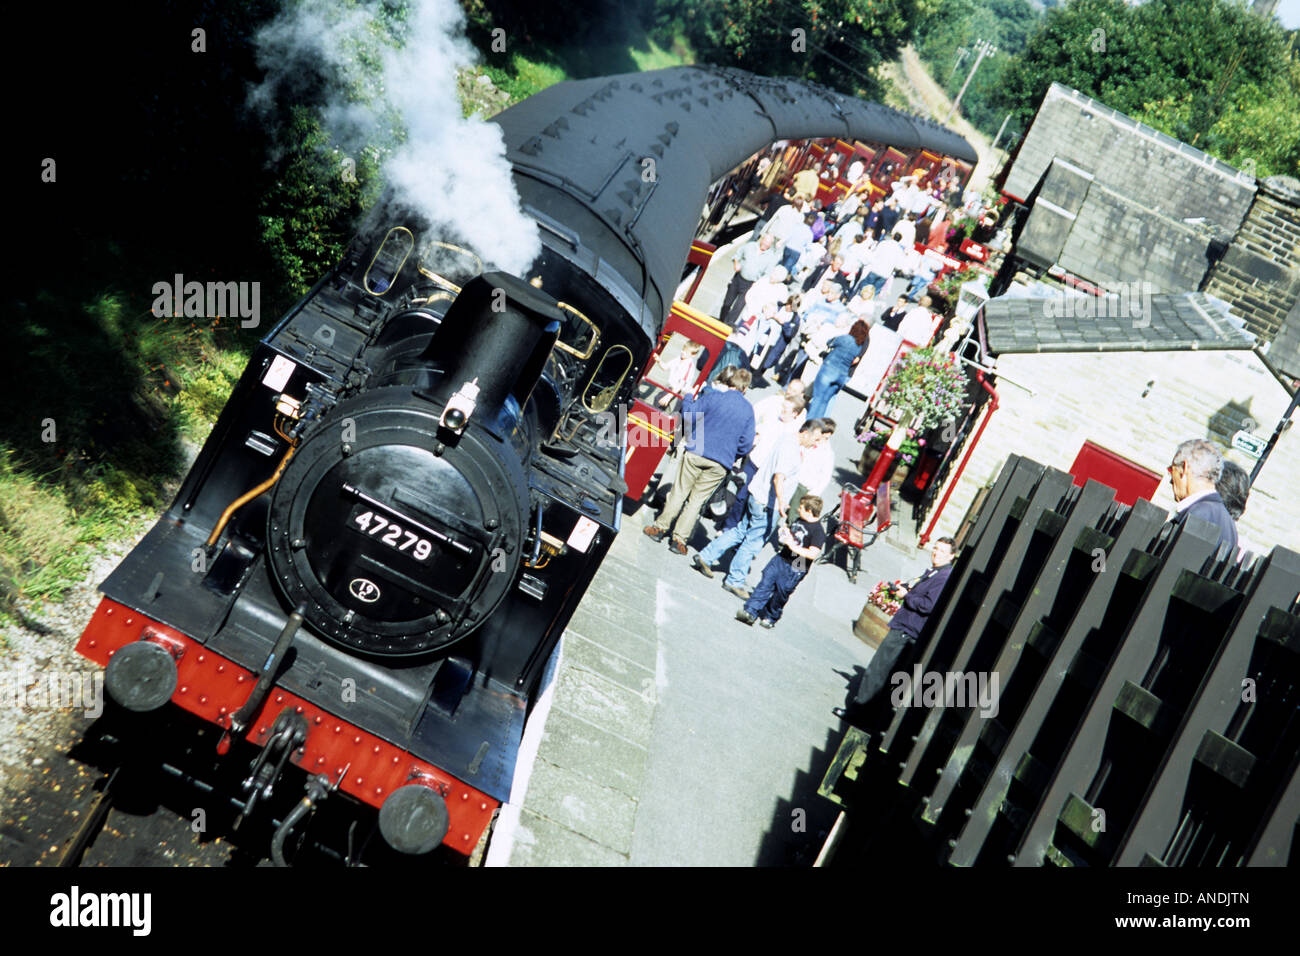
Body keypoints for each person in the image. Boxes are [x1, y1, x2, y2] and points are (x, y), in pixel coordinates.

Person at [834, 537, 957, 728]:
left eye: (942, 551)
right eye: (935, 548)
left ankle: (857, 713)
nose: (936, 553)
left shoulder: (943, 576)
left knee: (877, 672)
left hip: (907, 630)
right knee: (885, 674)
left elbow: (928, 606)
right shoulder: (935, 571)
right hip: (905, 627)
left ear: (951, 556)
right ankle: (865, 716)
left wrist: (906, 596)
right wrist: (907, 589)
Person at [693, 418, 809, 599]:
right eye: (816, 439)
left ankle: (706, 556)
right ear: (806, 433)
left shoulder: (786, 438)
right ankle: (735, 581)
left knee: (740, 530)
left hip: (756, 493)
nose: (816, 444)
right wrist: (781, 504)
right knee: (752, 542)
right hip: (767, 503)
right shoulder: (792, 450)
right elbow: (779, 477)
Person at [644, 367, 755, 555]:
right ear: (745, 388)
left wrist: (688, 397)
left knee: (679, 492)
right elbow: (746, 445)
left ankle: (660, 528)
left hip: (697, 451)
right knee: (696, 501)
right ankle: (679, 540)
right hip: (720, 463)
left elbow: (689, 416)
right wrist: (730, 454)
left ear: (730, 382)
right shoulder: (748, 411)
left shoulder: (714, 397)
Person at [736, 495, 826, 629]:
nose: (798, 510)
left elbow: (812, 553)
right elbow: (791, 533)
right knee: (766, 582)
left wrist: (793, 547)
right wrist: (784, 532)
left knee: (782, 591)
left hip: (798, 562)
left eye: (801, 508)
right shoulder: (800, 519)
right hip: (782, 556)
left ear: (809, 510)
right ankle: (750, 611)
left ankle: (771, 616)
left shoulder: (818, 531)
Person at [1168, 439, 1238, 552]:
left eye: (1171, 470)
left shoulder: (1198, 514)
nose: (1171, 480)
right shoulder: (1230, 525)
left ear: (1184, 468)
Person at [806, 320, 870, 420]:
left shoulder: (845, 338)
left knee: (818, 398)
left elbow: (830, 342)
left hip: (829, 369)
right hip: (842, 374)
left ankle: (809, 422)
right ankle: (817, 424)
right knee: (825, 401)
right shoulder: (859, 346)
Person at [719, 233, 779, 326]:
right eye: (765, 241)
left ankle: (727, 325)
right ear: (762, 239)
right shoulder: (750, 246)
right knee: (727, 303)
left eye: (768, 243)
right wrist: (736, 263)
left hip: (750, 285)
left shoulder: (771, 257)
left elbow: (767, 274)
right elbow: (737, 254)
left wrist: (757, 284)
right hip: (738, 279)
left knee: (738, 307)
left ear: (770, 245)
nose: (765, 244)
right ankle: (721, 321)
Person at [656, 340, 704, 408]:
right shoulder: (678, 359)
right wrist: (659, 360)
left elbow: (681, 385)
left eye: (686, 352)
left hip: (678, 392)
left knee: (659, 402)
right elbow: (665, 367)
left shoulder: (688, 366)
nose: (682, 352)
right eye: (683, 350)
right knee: (658, 401)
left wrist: (668, 397)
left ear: (693, 355)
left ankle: (654, 417)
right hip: (671, 388)